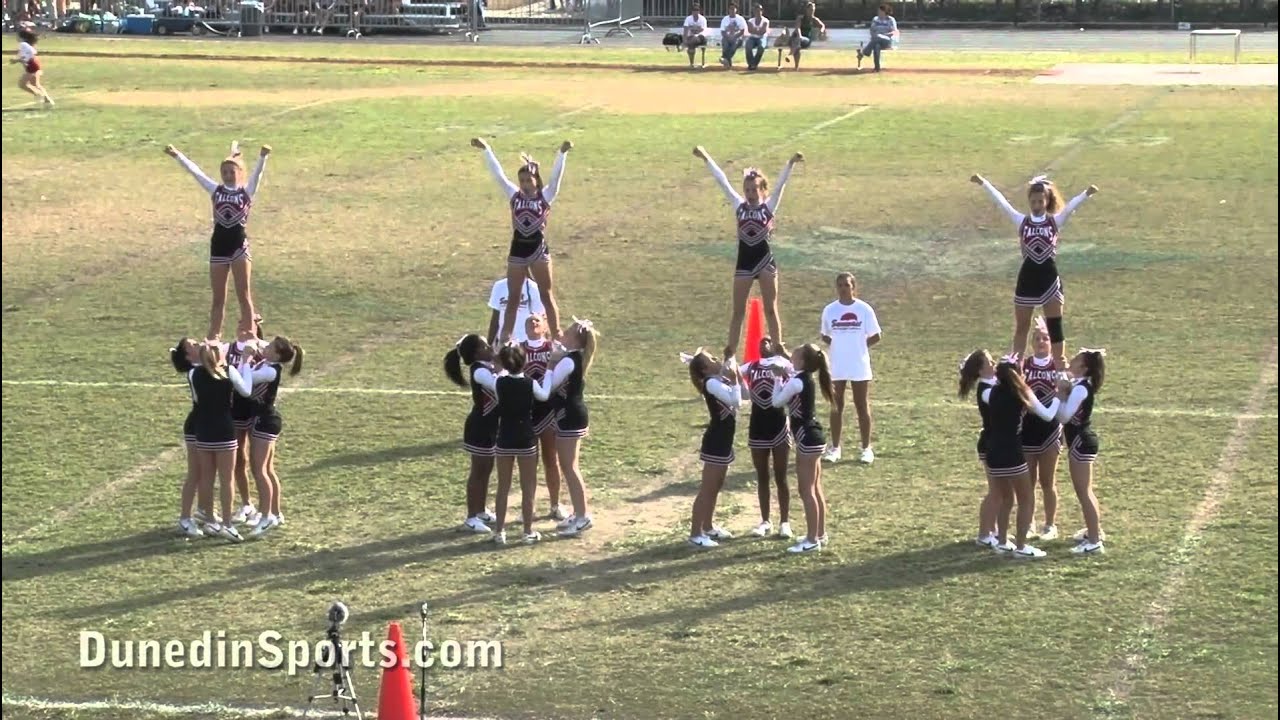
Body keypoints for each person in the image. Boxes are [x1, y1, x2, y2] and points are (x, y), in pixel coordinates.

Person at [971, 172, 1099, 371]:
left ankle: (1060, 368)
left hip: (1049, 278)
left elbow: (1071, 206)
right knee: (1022, 327)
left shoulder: (1054, 221)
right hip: (1027, 279)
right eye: (1034, 201)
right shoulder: (1021, 221)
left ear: (1047, 201)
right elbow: (1002, 203)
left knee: (1055, 325)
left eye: (1041, 201)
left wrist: (1086, 194)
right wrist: (983, 183)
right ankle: (1016, 367)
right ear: (1029, 201)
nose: (1037, 205)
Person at [693, 146, 804, 364]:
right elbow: (722, 181)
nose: (750, 194)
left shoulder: (769, 207)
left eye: (754, 190)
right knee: (737, 312)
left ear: (762, 190)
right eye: (747, 189)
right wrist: (706, 156)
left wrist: (790, 163)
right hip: (744, 263)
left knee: (771, 308)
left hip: (765, 262)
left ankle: (779, 346)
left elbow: (781, 185)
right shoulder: (739, 206)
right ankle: (730, 354)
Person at [471, 137, 572, 344]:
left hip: (538, 251)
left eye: (529, 180)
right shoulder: (514, 195)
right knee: (513, 298)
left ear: (536, 180)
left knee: (546, 294)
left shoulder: (546, 196)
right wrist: (486, 149)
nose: (525, 184)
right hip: (517, 250)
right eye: (522, 181)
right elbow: (498, 176)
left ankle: (556, 334)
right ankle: (506, 337)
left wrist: (562, 153)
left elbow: (556, 179)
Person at [167, 142, 271, 342]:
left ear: (238, 173)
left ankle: (249, 334)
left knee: (244, 294)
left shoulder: (246, 192)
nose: (227, 175)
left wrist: (262, 157)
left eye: (231, 171)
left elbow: (257, 176)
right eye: (224, 172)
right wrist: (177, 155)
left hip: (239, 247)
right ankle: (214, 336)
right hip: (218, 248)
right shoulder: (215, 190)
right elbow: (195, 172)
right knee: (218, 298)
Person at [981, 356, 1063, 558]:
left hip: (992, 452)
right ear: (1019, 375)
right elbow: (1047, 415)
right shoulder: (1022, 392)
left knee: (1006, 498)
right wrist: (1059, 395)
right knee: (1025, 499)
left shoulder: (991, 392)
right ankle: (1021, 546)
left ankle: (1001, 541)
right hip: (1012, 452)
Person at [473, 345, 554, 545]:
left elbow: (497, 378)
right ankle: (527, 531)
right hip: (526, 439)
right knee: (528, 488)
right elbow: (544, 395)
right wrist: (550, 369)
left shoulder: (499, 382)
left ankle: (499, 532)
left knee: (503, 487)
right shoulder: (530, 383)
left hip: (505, 438)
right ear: (524, 362)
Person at [188, 341, 255, 542]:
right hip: (224, 429)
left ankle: (210, 520)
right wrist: (246, 365)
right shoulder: (229, 371)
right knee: (227, 479)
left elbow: (197, 400)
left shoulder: (193, 374)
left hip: (203, 429)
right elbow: (246, 391)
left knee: (207, 477)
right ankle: (226, 523)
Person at [769, 343, 833, 553]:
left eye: (794, 353)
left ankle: (811, 540)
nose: (791, 355)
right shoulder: (805, 377)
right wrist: (783, 370)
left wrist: (777, 379)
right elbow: (791, 370)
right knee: (815, 488)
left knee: (806, 490)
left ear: (802, 360)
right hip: (815, 436)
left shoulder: (797, 382)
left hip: (806, 439)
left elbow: (777, 402)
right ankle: (820, 534)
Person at [539, 318, 599, 537]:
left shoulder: (567, 361)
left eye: (570, 329)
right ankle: (578, 512)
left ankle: (583, 517)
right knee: (569, 467)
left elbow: (549, 388)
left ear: (575, 338)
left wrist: (549, 366)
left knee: (570, 468)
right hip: (571, 416)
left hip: (570, 417)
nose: (563, 330)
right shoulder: (573, 358)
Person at [243, 335, 305, 537]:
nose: (265, 346)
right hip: (267, 420)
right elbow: (257, 342)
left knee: (259, 470)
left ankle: (266, 516)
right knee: (268, 470)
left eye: (270, 346)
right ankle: (276, 514)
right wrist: (255, 332)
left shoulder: (270, 371)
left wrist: (244, 359)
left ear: (276, 354)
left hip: (265, 421)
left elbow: (247, 380)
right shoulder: (269, 363)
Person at [819, 272, 882, 465]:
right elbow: (825, 335)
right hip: (837, 364)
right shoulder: (829, 310)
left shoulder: (864, 309)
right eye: (840, 285)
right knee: (836, 405)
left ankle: (866, 449)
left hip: (859, 364)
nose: (843, 288)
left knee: (861, 405)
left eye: (846, 285)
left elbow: (876, 335)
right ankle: (835, 448)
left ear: (853, 287)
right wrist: (840, 346)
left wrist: (859, 346)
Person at [685, 349, 741, 548]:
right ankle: (695, 534)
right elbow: (736, 401)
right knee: (707, 489)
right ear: (705, 368)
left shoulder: (717, 381)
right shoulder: (711, 383)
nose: (717, 360)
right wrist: (733, 380)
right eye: (713, 358)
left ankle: (708, 527)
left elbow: (740, 390)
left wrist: (731, 362)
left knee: (716, 486)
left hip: (724, 440)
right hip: (716, 441)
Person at [444, 334, 500, 533]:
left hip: (491, 426)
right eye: (486, 345)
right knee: (478, 471)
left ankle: (481, 509)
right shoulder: (479, 372)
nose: (490, 347)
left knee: (487, 469)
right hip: (480, 426)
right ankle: (471, 517)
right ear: (477, 353)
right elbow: (499, 386)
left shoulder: (486, 367)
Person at [738, 337, 792, 539]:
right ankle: (765, 521)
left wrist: (784, 353)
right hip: (758, 426)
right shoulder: (751, 366)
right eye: (760, 341)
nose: (763, 343)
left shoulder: (783, 363)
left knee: (781, 476)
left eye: (767, 341)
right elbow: (732, 372)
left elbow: (799, 371)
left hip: (778, 424)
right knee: (762, 476)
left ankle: (785, 522)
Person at [1056, 348, 1107, 555]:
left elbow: (1064, 417)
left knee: (1084, 492)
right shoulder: (1079, 386)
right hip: (1081, 442)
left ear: (1083, 367)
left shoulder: (1079, 389)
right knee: (1086, 491)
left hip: (1080, 443)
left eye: (1076, 359)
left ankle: (1094, 541)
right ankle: (1095, 531)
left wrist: (1060, 394)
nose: (1072, 360)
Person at [957, 349, 1004, 549]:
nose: (994, 364)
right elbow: (1002, 404)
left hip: (996, 442)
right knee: (996, 492)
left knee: (999, 491)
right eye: (990, 362)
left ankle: (991, 530)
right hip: (991, 444)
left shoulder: (992, 384)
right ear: (980, 369)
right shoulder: (986, 390)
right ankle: (984, 534)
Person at [522, 314, 568, 521]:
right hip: (525, 412)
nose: (533, 323)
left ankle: (555, 504)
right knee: (528, 464)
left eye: (537, 320)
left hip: (548, 411)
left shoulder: (552, 348)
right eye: (529, 321)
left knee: (551, 459)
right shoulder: (518, 348)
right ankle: (528, 509)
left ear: (544, 326)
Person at [1021, 317, 1062, 540]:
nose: (1040, 342)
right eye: (1036, 339)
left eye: (1045, 338)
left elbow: (1066, 388)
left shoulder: (1057, 365)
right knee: (1027, 481)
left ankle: (1050, 525)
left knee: (1047, 481)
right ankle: (1028, 524)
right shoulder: (1024, 365)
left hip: (1050, 431)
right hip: (1026, 430)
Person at [172, 337, 208, 538]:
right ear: (188, 355)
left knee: (206, 472)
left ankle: (203, 510)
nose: (198, 345)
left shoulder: (203, 367)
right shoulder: (196, 372)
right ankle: (185, 518)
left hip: (206, 423)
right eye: (192, 345)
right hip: (197, 424)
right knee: (195, 472)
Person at [488, 276, 545, 345]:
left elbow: (540, 318)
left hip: (526, 342)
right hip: (504, 342)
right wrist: (490, 343)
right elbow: (495, 317)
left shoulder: (534, 288)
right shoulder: (499, 286)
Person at [13, 28, 52, 106]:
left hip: (32, 65)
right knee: (35, 84)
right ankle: (48, 100)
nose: (16, 37)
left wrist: (15, 61)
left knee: (22, 84)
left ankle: (39, 94)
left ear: (22, 37)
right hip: (35, 63)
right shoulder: (27, 44)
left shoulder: (23, 44)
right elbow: (29, 55)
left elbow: (24, 58)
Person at [857, 4, 899, 72]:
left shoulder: (891, 20)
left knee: (878, 36)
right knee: (876, 46)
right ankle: (877, 68)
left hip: (887, 40)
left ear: (884, 12)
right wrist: (874, 36)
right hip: (876, 40)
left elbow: (895, 32)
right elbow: (871, 30)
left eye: (880, 11)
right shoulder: (875, 19)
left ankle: (864, 52)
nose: (878, 12)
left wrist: (884, 35)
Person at [785, 1, 825, 70]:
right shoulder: (800, 18)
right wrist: (800, 36)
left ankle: (790, 54)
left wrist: (821, 31)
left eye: (813, 10)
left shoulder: (814, 19)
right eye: (810, 10)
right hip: (796, 38)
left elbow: (822, 25)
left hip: (806, 39)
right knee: (797, 43)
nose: (811, 11)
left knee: (797, 43)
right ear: (806, 10)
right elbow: (797, 28)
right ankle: (796, 66)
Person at [718, 3, 747, 68]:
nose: (732, 10)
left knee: (734, 44)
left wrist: (734, 36)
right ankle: (727, 62)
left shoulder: (740, 19)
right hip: (727, 38)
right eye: (730, 9)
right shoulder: (725, 19)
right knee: (725, 44)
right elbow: (722, 31)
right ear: (728, 10)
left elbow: (742, 31)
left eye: (733, 9)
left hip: (738, 38)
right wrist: (728, 37)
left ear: (736, 10)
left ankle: (724, 58)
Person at [743, 4, 770, 71]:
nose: (757, 12)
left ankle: (754, 64)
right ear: (754, 11)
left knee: (761, 47)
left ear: (762, 11)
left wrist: (755, 30)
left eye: (759, 10)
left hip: (762, 38)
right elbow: (750, 31)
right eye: (756, 10)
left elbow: (763, 32)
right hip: (752, 38)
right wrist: (757, 30)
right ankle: (751, 64)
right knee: (748, 46)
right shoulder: (750, 21)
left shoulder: (765, 21)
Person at [682, 4, 709, 69]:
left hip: (701, 37)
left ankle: (691, 63)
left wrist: (693, 29)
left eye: (697, 10)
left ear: (699, 11)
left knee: (692, 41)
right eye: (694, 10)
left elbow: (702, 29)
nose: (695, 11)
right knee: (691, 41)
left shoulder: (702, 19)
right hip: (691, 38)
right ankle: (692, 64)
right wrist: (684, 39)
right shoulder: (688, 18)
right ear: (692, 11)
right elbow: (685, 29)